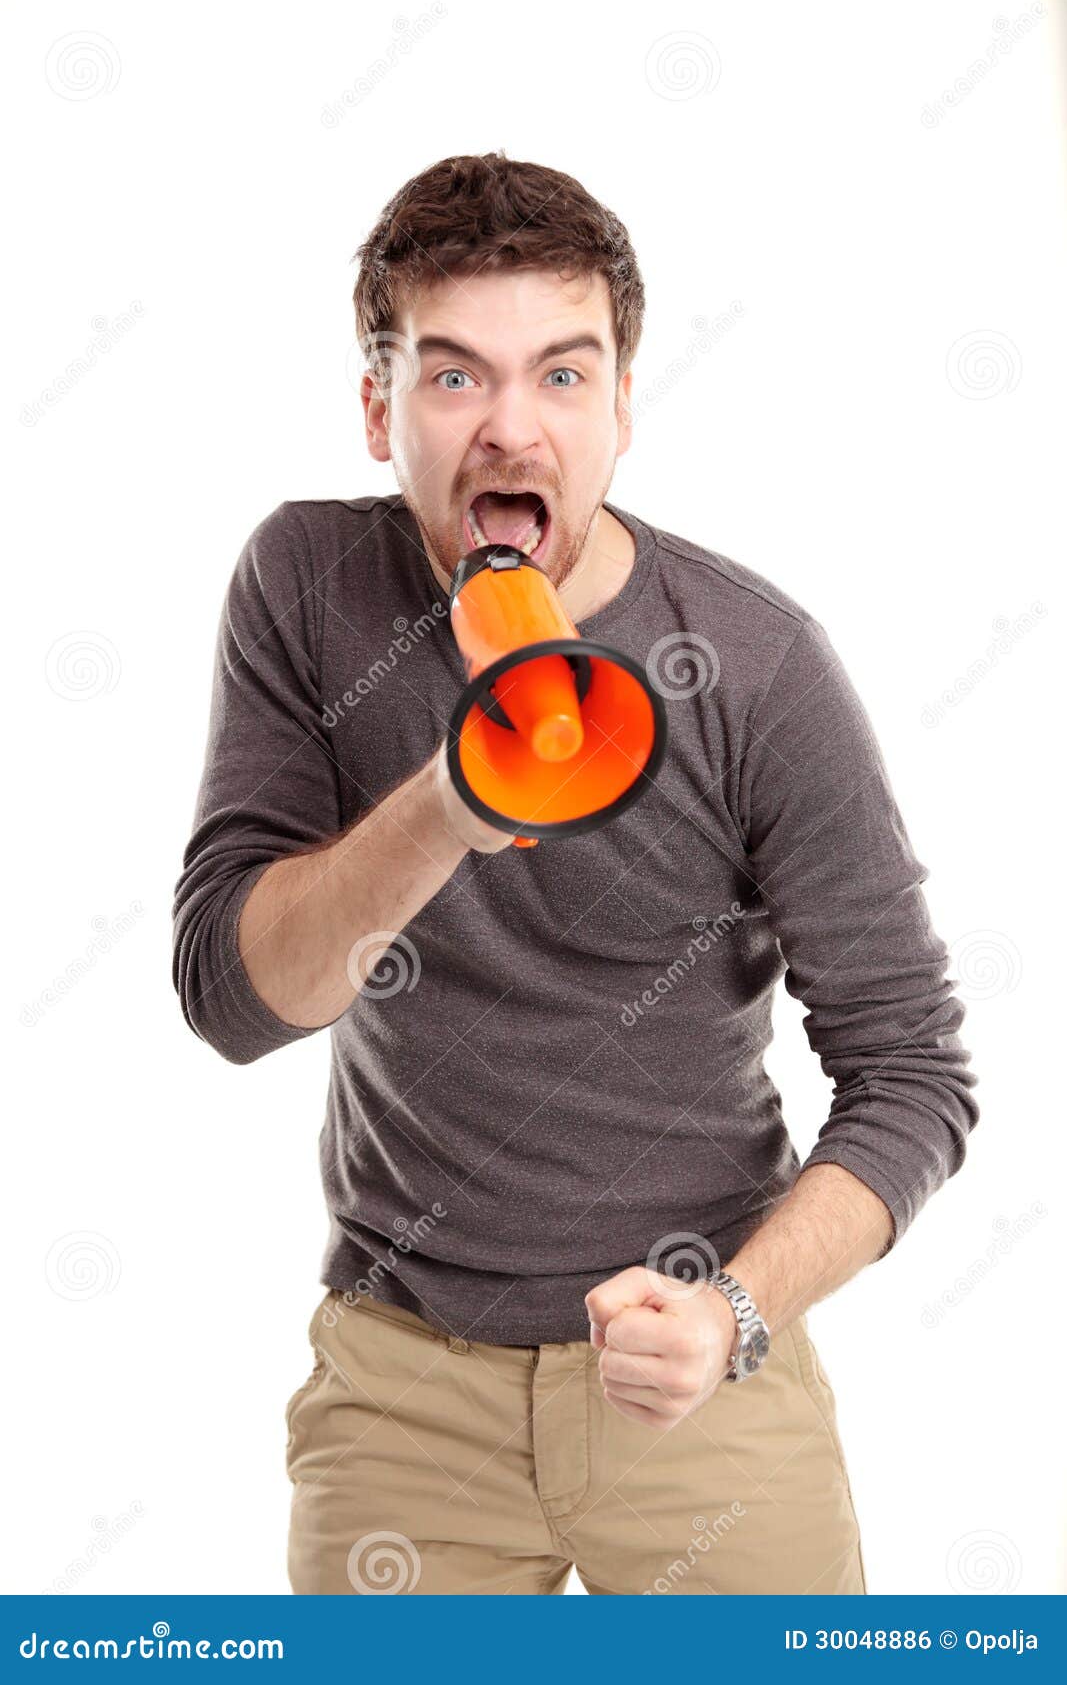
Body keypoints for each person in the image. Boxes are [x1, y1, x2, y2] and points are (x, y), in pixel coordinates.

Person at [171, 151, 979, 1596]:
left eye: (560, 375)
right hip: (401, 1389)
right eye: (454, 377)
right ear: (378, 408)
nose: (510, 432)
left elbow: (914, 1071)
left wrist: (733, 1309)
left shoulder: (754, 661)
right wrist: (455, 797)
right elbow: (238, 999)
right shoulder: (304, 586)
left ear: (621, 405)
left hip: (705, 1380)